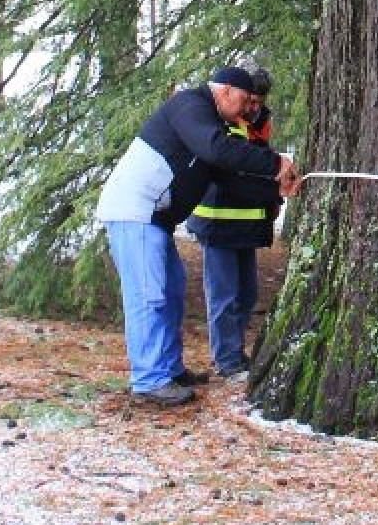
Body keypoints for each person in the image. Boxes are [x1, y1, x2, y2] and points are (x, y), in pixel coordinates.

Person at [96, 66, 298, 407]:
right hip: (134, 212)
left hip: (155, 220)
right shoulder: (191, 107)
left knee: (172, 291)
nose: (251, 109)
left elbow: (229, 177)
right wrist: (275, 161)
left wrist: (275, 191)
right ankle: (149, 380)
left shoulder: (212, 127)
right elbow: (217, 150)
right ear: (226, 91)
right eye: (246, 101)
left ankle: (170, 369)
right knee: (149, 295)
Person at [187, 65, 280, 379]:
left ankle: (235, 354)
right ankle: (226, 361)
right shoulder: (222, 123)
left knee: (247, 294)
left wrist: (272, 200)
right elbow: (231, 175)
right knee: (224, 295)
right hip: (218, 221)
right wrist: (272, 188)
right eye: (248, 101)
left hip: (247, 224)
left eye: (258, 102)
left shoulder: (260, 125)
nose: (252, 108)